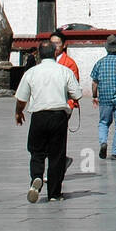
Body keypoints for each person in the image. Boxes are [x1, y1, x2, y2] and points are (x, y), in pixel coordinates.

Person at [14, 39, 82, 202]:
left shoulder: (31, 72)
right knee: (56, 155)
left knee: (36, 151)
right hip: (58, 116)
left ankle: (36, 177)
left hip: (38, 116)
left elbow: (21, 97)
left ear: (38, 54)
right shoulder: (64, 71)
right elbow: (77, 94)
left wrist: (18, 112)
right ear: (54, 53)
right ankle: (54, 193)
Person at [90, 35, 116, 159]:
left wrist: (94, 96)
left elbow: (94, 82)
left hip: (104, 98)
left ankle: (103, 142)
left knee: (104, 122)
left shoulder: (99, 63)